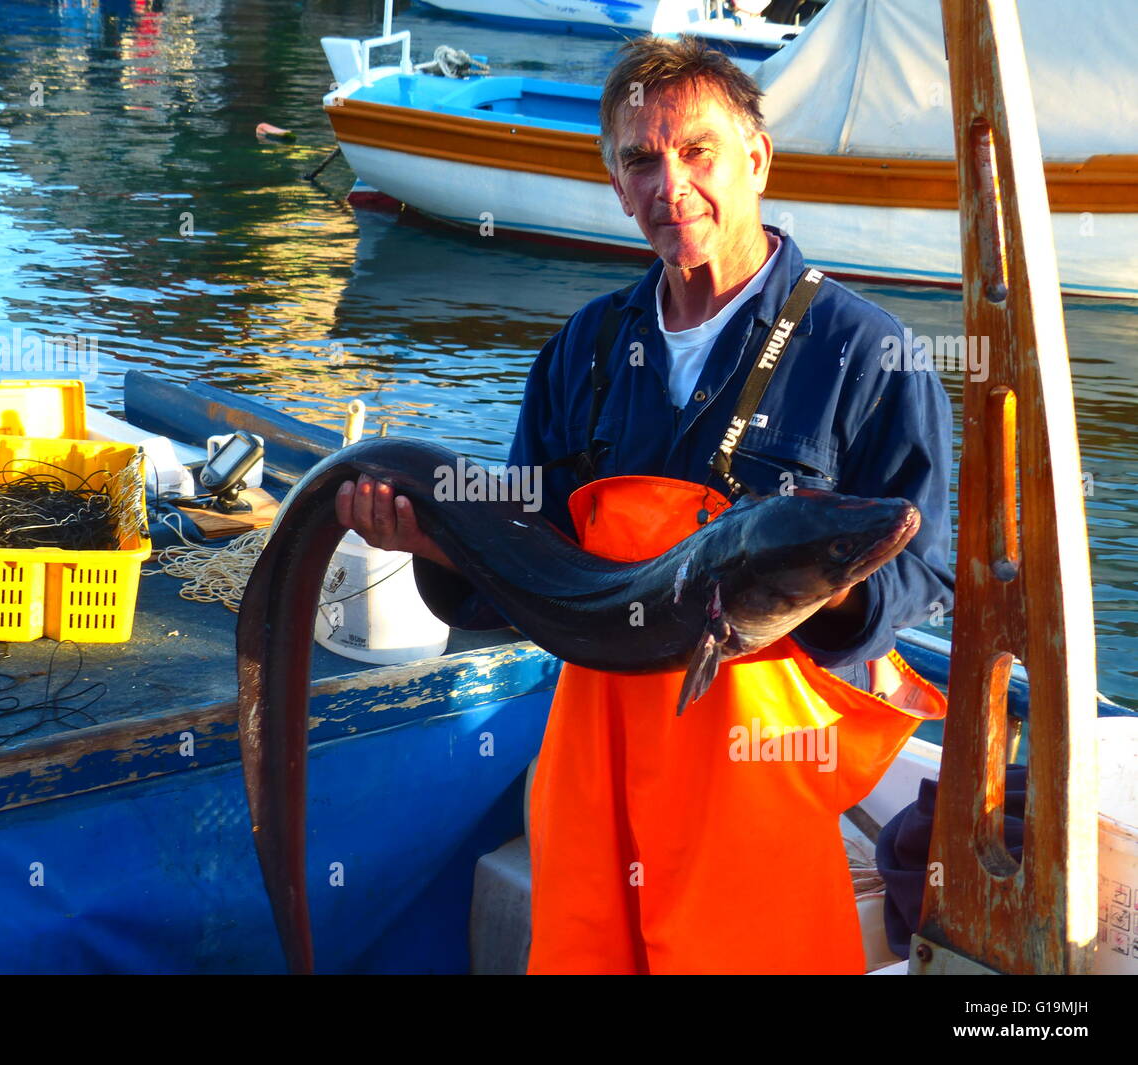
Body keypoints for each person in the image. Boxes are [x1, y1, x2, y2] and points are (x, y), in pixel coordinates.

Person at [336, 36, 953, 974]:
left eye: (698, 150)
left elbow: (925, 564)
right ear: (618, 188)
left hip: (755, 770)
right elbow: (526, 558)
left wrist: (818, 585)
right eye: (641, 159)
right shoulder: (581, 353)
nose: (672, 184)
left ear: (757, 160)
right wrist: (432, 541)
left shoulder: (870, 353)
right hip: (593, 755)